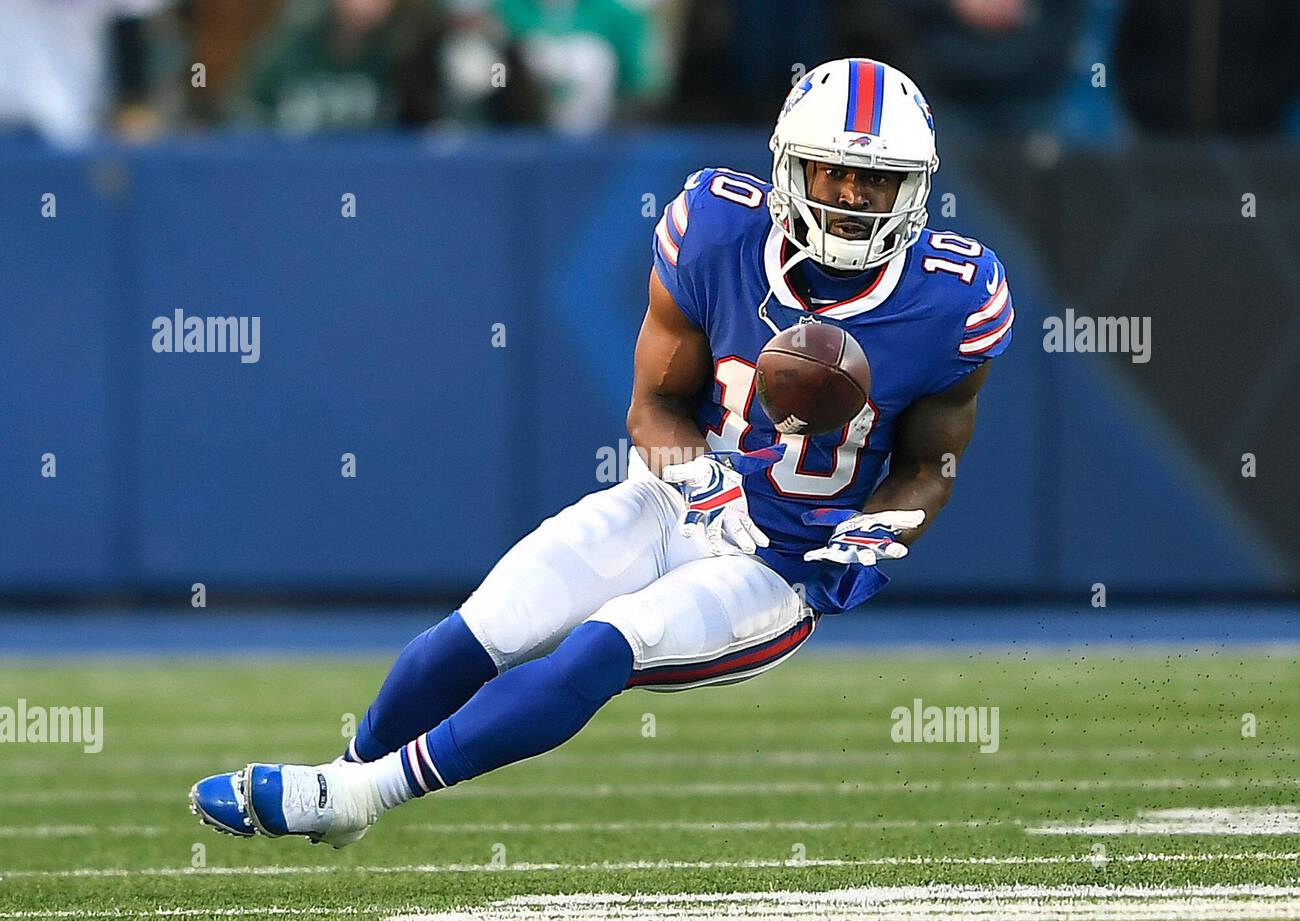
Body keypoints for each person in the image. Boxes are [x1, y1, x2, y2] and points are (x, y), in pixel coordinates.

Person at [190, 57, 1015, 847]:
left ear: (917, 191)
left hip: (781, 562)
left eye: (876, 180)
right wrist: (696, 478)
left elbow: (928, 463)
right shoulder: (716, 230)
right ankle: (343, 782)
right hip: (672, 500)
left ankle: (357, 794)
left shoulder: (952, 297)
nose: (851, 198)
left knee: (604, 644)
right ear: (787, 168)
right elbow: (653, 406)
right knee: (484, 626)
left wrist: (882, 528)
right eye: (833, 172)